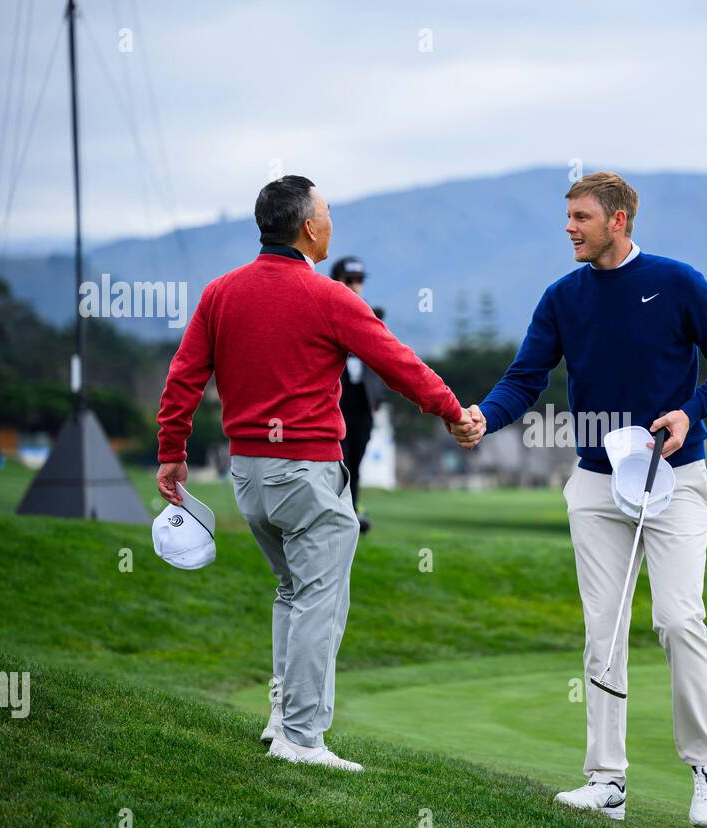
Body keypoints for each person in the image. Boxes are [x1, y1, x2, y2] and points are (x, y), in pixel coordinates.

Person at [454, 171, 707, 826]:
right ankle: (607, 782)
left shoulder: (677, 282)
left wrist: (689, 410)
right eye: (567, 216)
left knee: (679, 621)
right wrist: (484, 416)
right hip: (595, 482)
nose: (569, 227)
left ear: (617, 221)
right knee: (603, 631)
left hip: (674, 476)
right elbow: (525, 377)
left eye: (580, 217)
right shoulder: (563, 297)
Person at [156, 175, 480, 771]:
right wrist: (453, 411)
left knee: (292, 590)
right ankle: (301, 738)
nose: (331, 223)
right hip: (305, 473)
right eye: (327, 214)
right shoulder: (329, 298)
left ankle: (283, 714)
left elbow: (184, 376)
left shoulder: (220, 292)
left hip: (247, 477)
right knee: (319, 600)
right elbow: (396, 361)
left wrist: (171, 450)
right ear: (308, 227)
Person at [330, 256, 387, 533]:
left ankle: (351, 509)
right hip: (334, 404)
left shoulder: (369, 317)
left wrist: (377, 400)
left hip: (362, 404)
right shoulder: (326, 312)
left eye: (359, 281)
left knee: (356, 460)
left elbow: (384, 362)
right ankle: (336, 512)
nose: (355, 286)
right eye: (349, 280)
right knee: (337, 460)